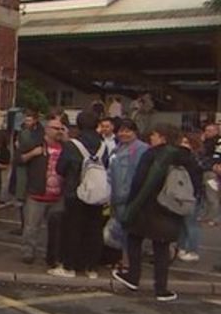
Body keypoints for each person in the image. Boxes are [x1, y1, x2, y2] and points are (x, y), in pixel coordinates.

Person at [114, 124, 201, 302]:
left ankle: (133, 277)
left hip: (147, 206)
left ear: (162, 137)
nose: (151, 139)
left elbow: (139, 181)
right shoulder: (186, 157)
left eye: (153, 135)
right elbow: (196, 182)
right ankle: (161, 289)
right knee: (161, 248)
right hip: (171, 208)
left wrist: (131, 204)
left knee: (134, 238)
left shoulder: (152, 154)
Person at [52, 111, 108, 279]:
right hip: (97, 194)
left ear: (78, 124)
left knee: (72, 230)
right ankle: (91, 268)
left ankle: (70, 266)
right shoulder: (103, 145)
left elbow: (60, 168)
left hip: (74, 193)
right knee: (94, 230)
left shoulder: (72, 145)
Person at [20, 113, 67, 266]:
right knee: (32, 227)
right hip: (37, 193)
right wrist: (32, 154)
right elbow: (18, 160)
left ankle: (52, 255)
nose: (59, 131)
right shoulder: (35, 143)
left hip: (58, 195)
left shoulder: (66, 147)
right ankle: (28, 253)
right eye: (55, 128)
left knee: (55, 230)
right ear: (47, 129)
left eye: (61, 128)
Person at [106, 119, 148, 267]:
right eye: (121, 131)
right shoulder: (117, 149)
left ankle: (128, 264)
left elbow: (138, 175)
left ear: (135, 132)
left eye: (128, 131)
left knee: (129, 233)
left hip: (131, 197)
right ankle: (124, 260)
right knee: (121, 232)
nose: (124, 134)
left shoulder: (141, 149)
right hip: (116, 197)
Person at [177, 133, 205, 262]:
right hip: (189, 194)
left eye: (186, 142)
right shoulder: (194, 158)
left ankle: (193, 251)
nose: (183, 145)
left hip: (193, 195)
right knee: (184, 224)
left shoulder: (192, 159)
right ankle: (182, 248)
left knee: (191, 224)